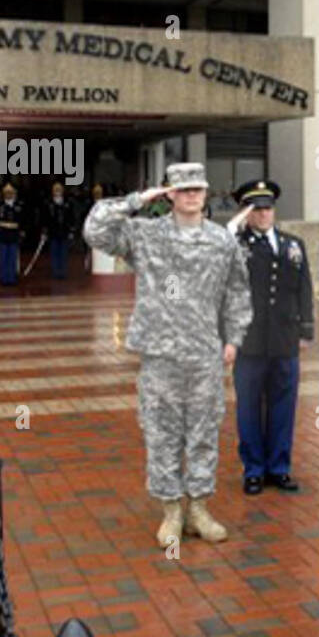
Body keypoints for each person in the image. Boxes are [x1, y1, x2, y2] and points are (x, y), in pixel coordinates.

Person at [84, 162, 252, 548]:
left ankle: (199, 508)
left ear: (206, 194)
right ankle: (171, 511)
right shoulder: (145, 235)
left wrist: (234, 338)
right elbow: (95, 230)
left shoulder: (221, 240)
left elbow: (238, 292)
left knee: (205, 433)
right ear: (170, 194)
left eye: (198, 189)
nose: (192, 195)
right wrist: (136, 200)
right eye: (183, 189)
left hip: (204, 354)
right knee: (161, 434)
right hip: (160, 355)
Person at [229, 179, 315, 495]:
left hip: (284, 339)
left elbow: (304, 287)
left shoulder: (293, 244)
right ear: (247, 212)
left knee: (283, 405)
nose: (265, 214)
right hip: (249, 342)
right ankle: (253, 469)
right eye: (257, 208)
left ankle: (279, 467)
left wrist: (306, 329)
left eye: (268, 208)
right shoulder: (236, 245)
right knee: (249, 407)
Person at [44, 182, 78, 279]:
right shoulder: (49, 203)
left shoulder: (68, 203)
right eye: (55, 189)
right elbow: (45, 218)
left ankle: (63, 272)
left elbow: (71, 217)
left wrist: (72, 230)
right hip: (53, 232)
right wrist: (45, 231)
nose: (57, 191)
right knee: (54, 253)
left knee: (63, 253)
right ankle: (55, 272)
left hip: (64, 231)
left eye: (59, 189)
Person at [0, 183, 24, 285]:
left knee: (12, 258)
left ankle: (11, 278)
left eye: (10, 193)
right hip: (3, 235)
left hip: (14, 235)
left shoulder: (19, 206)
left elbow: (23, 221)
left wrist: (21, 232)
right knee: (3, 258)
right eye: (6, 193)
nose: (9, 195)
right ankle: (3, 278)